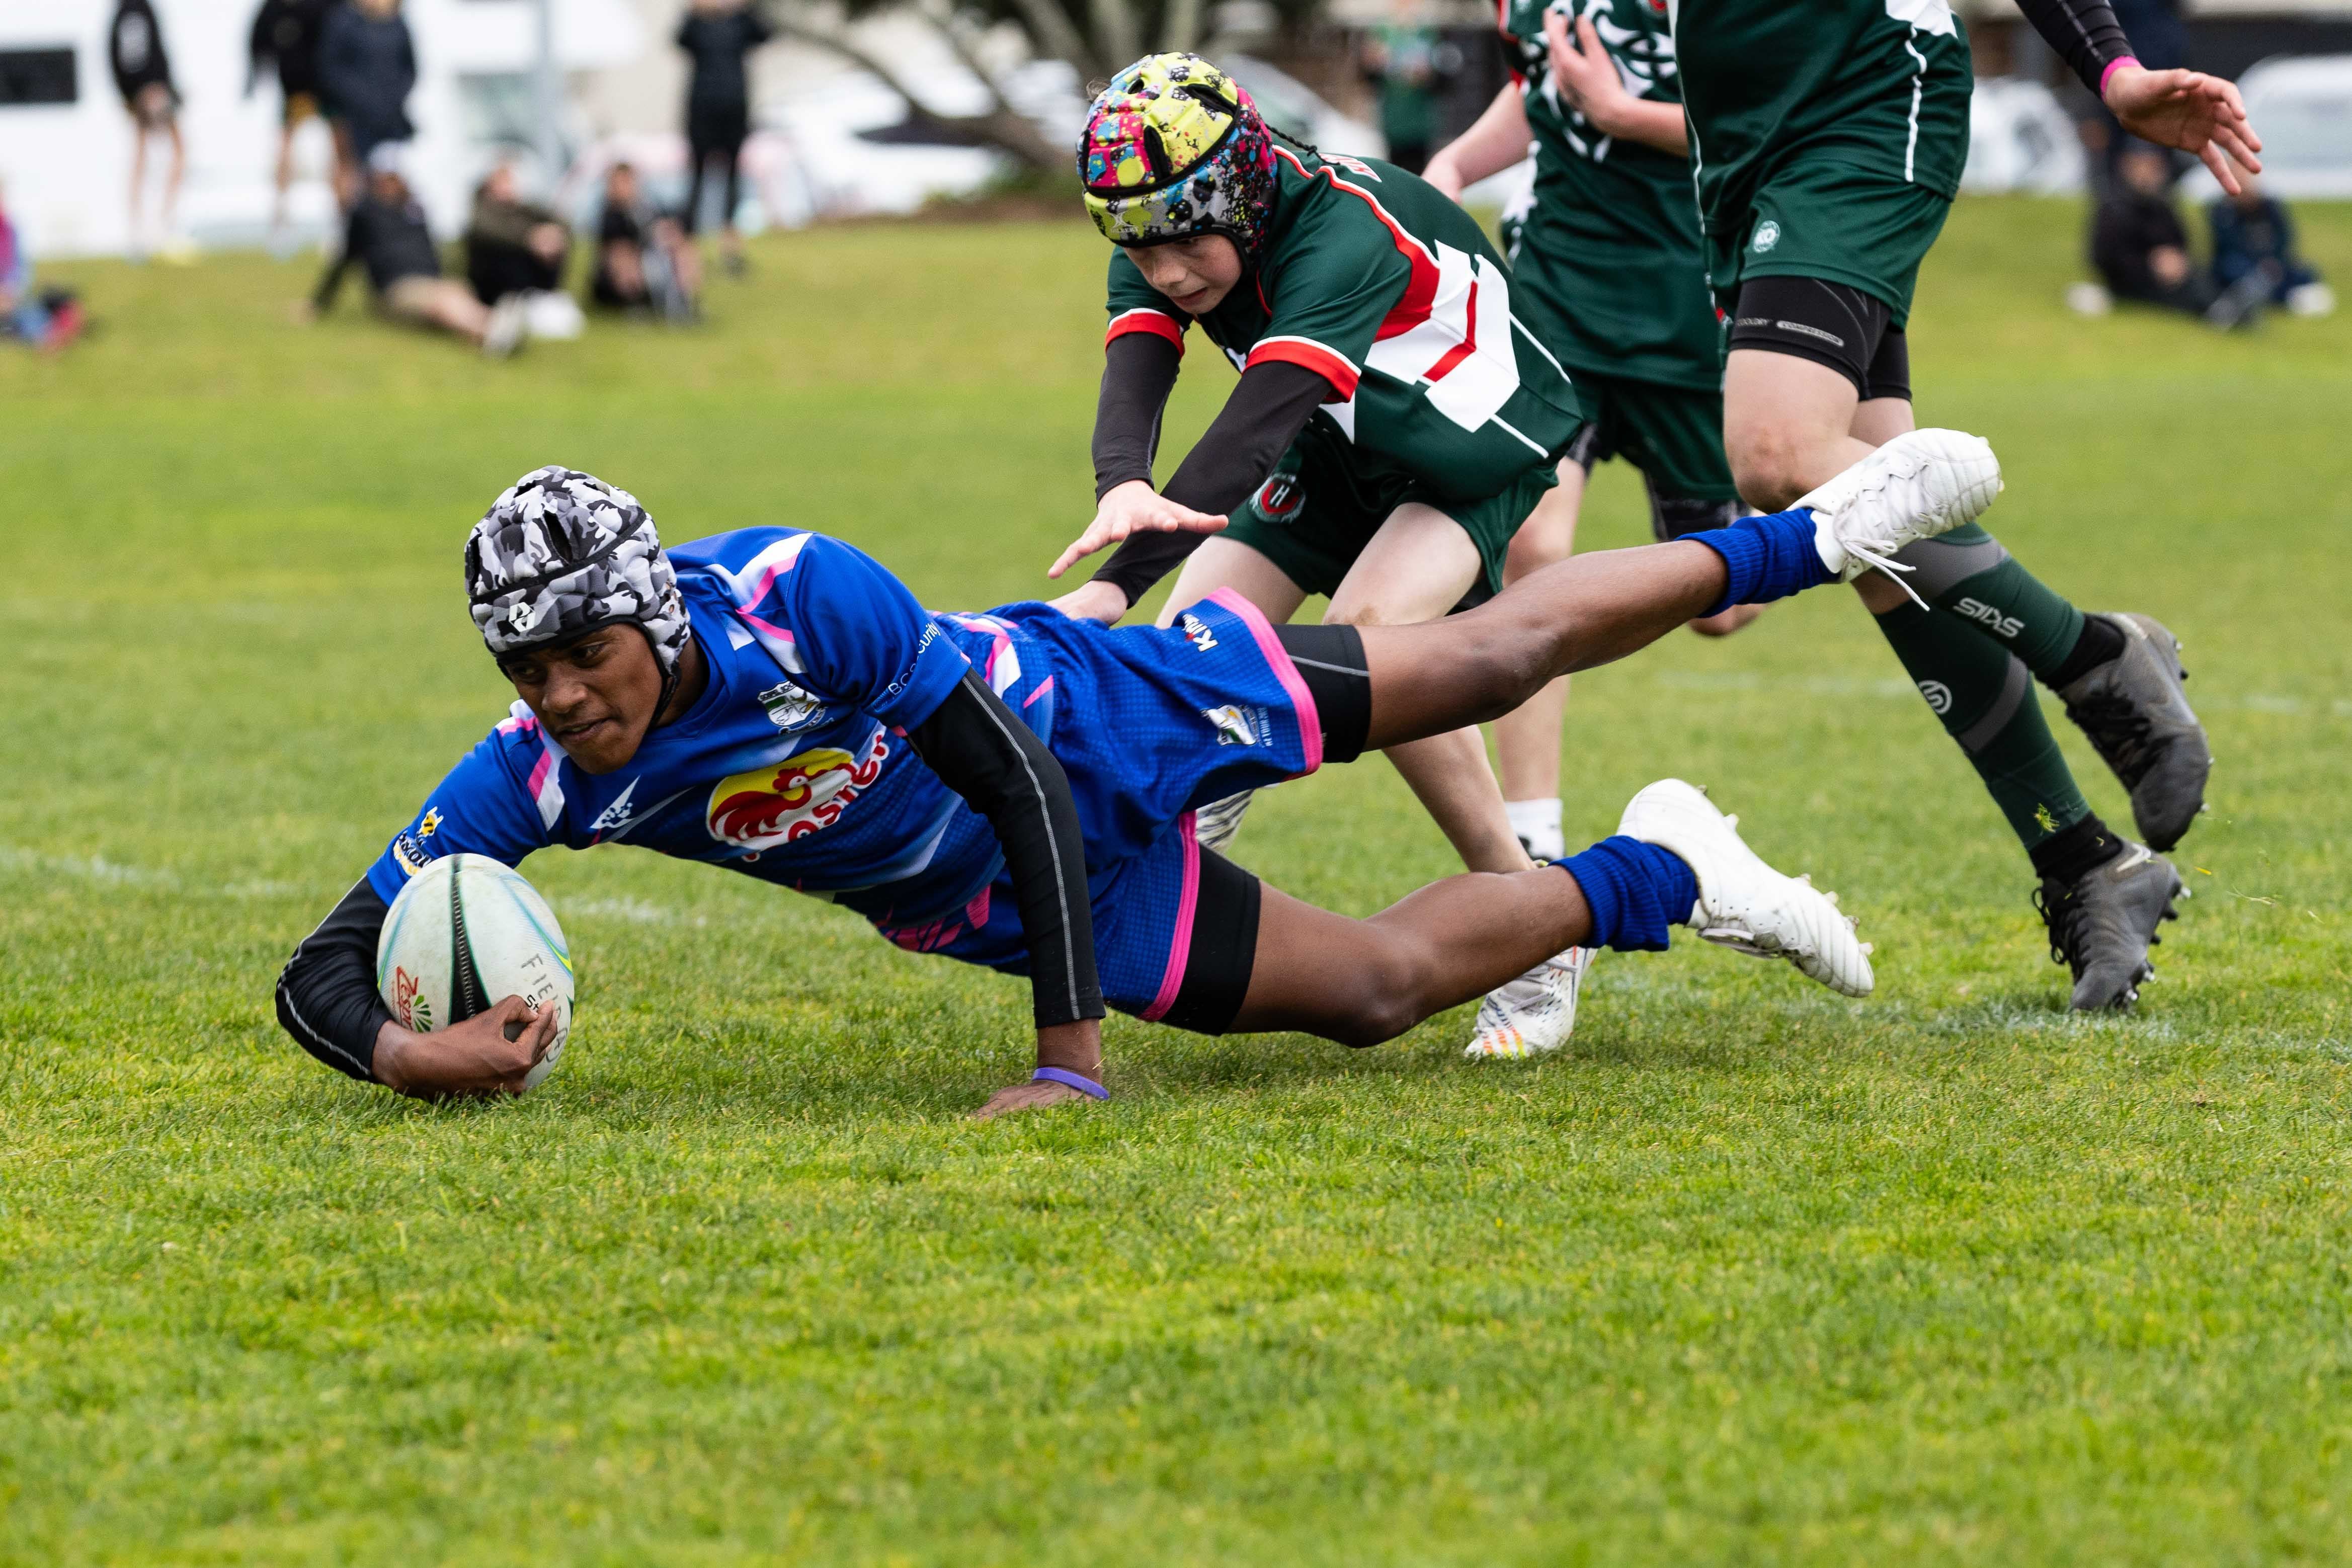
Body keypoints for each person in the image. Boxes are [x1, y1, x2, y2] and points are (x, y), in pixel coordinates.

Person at [273, 436, 2009, 1115]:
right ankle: (1667, 870)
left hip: (1097, 717)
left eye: (587, 651)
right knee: (1376, 994)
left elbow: (1009, 766)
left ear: (650, 611)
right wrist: (415, 1046)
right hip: (982, 891)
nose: (566, 695)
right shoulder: (543, 774)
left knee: (1480, 658)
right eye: (531, 668)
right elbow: (323, 964)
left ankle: (1810, 532)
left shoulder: (803, 592)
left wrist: (1068, 1059)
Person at [1571, 0, 2243, 1010]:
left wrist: (2113, 73)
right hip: (1746, 138)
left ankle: (2093, 656)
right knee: (1876, 520)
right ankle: (2082, 858)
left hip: (1864, 90)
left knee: (1779, 453)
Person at [1039, 55, 1595, 1063]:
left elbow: (1252, 427)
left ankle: (1530, 924)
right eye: (1138, 245)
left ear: (1244, 186)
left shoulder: (1341, 236)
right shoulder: (1156, 217)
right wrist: (1119, 508)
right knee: (1192, 640)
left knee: (1367, 651)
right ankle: (1231, 739)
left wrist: (1114, 579)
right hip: (1335, 439)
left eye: (1180, 242)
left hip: (1458, 447)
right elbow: (1138, 377)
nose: (1165, 270)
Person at [1423, 0, 1758, 1052]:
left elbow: (1770, 121)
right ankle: (1532, 855)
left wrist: (1629, 108)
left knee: (1721, 614)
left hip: (1684, 317)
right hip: (1555, 297)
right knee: (1536, 543)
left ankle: (1820, 532)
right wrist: (1456, 164)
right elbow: (1541, 88)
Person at [305, 144, 528, 354]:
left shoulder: (415, 210)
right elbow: (344, 259)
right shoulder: (365, 214)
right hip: (395, 289)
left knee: (454, 291)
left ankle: (493, 325)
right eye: (387, 176)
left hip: (431, 282)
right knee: (441, 300)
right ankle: (490, 331)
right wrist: (318, 304)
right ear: (376, 177)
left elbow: (433, 252)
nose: (393, 182)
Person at [676, 0, 773, 275]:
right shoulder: (697, 24)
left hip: (734, 110)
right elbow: (680, 40)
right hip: (702, 110)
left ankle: (730, 248)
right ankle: (687, 253)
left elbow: (765, 33)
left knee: (733, 180)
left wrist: (745, 7)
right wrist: (694, 9)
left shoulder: (741, 23)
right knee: (696, 180)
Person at [247, 0, 336, 253]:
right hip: (292, 90)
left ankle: (340, 223)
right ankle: (280, 224)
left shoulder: (325, 8)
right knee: (285, 155)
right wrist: (253, 77)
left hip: (326, 90)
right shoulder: (274, 9)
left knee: (337, 154)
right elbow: (257, 42)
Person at [109, 0, 187, 260]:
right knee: (176, 150)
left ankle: (140, 229)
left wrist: (128, 93)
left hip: (138, 91)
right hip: (153, 88)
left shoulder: (121, 12)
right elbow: (151, 52)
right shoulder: (140, 9)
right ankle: (162, 225)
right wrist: (160, 86)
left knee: (142, 155)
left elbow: (115, 56)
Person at [2207, 160, 2333, 317]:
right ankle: (2267, 294)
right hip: (2242, 265)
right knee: (2233, 269)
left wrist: (2273, 262)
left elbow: (2285, 238)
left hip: (2273, 264)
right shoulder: (2222, 210)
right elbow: (2226, 245)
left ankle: (2262, 294)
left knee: (2306, 272)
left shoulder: (2271, 206)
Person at [318, 0, 417, 191]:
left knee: (391, 173)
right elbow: (331, 67)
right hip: (354, 115)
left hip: (391, 115)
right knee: (353, 172)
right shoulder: (344, 21)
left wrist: (394, 98)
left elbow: (410, 68)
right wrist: (360, 97)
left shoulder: (397, 24)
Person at [590, 162, 701, 320]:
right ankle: (635, 302)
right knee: (624, 257)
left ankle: (683, 302)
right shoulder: (610, 216)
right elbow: (616, 248)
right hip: (615, 278)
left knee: (683, 250)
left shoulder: (648, 208)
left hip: (653, 261)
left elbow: (671, 228)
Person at [1357, 0, 1457, 175]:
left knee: (1419, 177)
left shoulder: (1429, 34)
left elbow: (1447, 81)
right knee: (1393, 176)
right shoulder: (1381, 34)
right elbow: (1368, 79)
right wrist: (1372, 64)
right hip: (1392, 123)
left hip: (1420, 125)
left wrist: (1428, 75)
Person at [466, 162, 572, 303]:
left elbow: (558, 220)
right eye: (502, 182)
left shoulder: (525, 208)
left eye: (509, 181)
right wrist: (532, 238)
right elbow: (490, 232)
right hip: (493, 279)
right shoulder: (482, 210)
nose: (507, 186)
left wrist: (552, 234)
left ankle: (542, 296)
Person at [0, 183, 85, 352]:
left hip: (12, 300)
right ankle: (49, 333)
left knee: (30, 310)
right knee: (24, 318)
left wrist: (10, 292)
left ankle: (52, 331)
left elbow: (21, 271)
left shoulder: (12, 231)